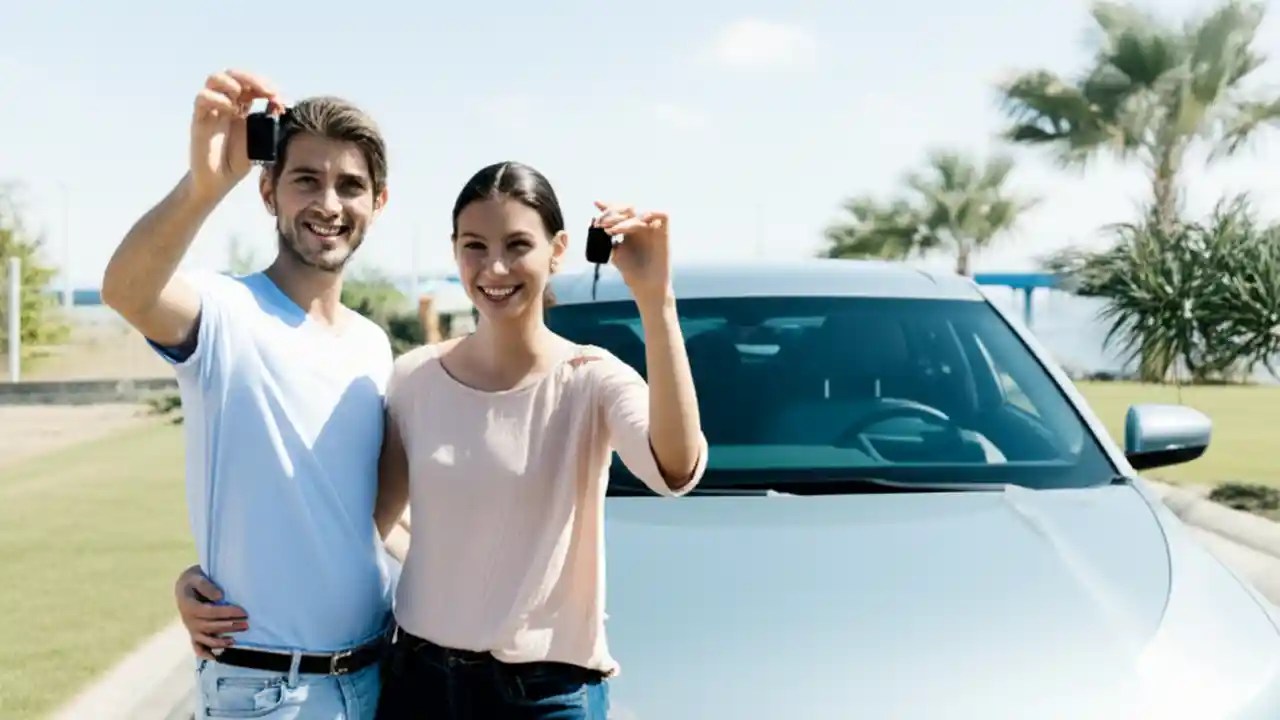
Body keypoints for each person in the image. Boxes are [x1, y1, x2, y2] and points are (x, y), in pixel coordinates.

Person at [102, 69, 405, 719]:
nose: (329, 203)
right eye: (306, 180)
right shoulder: (224, 310)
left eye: (350, 185)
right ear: (268, 190)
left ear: (378, 203)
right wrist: (204, 185)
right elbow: (127, 289)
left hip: (381, 676)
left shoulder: (374, 347)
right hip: (267, 696)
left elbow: (360, 521)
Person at [370, 161, 708, 719]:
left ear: (558, 250)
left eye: (517, 244)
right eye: (474, 245)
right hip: (420, 686)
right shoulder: (414, 379)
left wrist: (656, 300)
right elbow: (370, 524)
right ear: (454, 249)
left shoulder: (591, 378)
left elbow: (675, 468)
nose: (494, 266)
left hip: (546, 699)